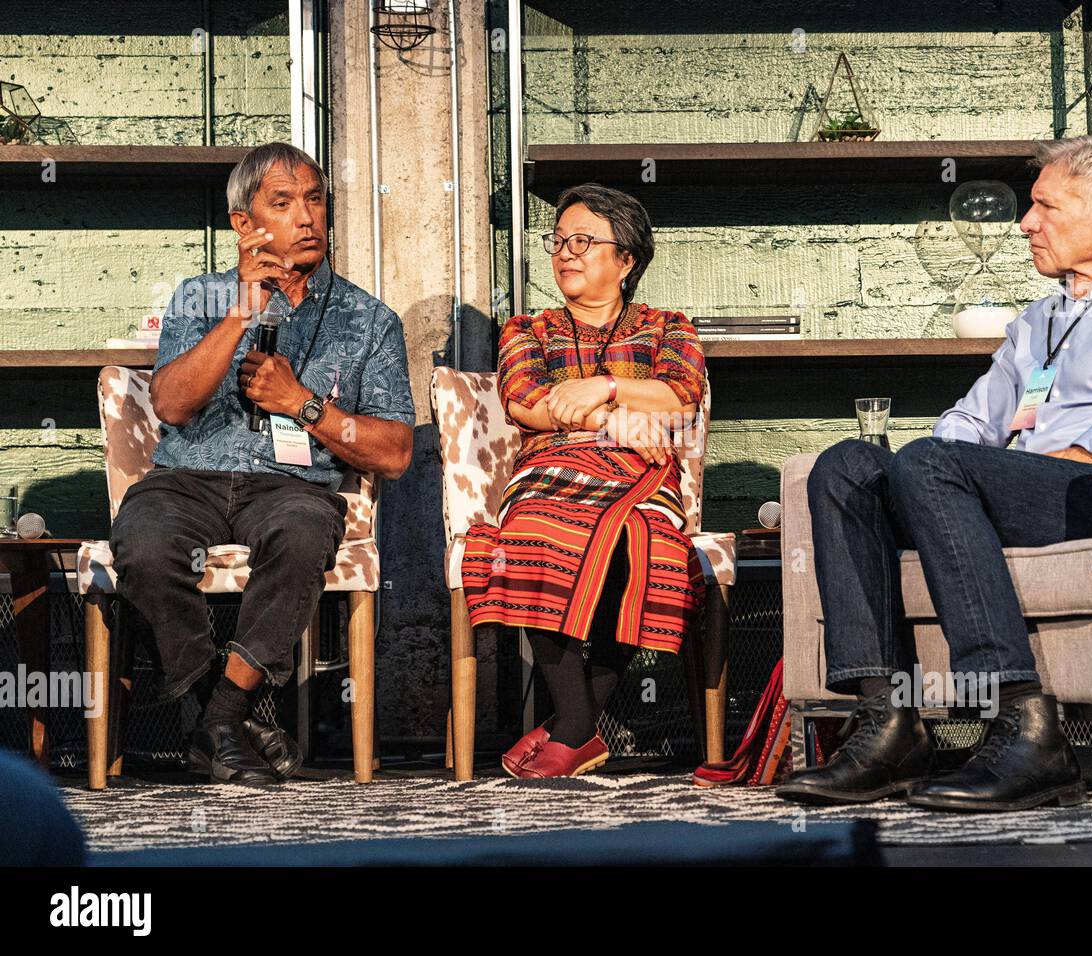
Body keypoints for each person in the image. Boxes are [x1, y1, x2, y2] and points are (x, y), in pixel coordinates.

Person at [776, 133, 1092, 812]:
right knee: (847, 466)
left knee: (934, 467)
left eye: (1046, 207)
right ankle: (887, 724)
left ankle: (1023, 723)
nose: (1026, 223)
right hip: (1000, 488)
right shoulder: (1039, 319)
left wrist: (998, 466)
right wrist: (921, 470)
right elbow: (970, 422)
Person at [109, 142, 415, 785]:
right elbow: (170, 404)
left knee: (302, 537)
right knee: (142, 544)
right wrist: (241, 313)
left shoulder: (368, 319)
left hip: (290, 487)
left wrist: (303, 405)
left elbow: (394, 452)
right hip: (187, 479)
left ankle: (213, 717)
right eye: (283, 203)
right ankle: (227, 720)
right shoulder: (199, 297)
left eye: (315, 199)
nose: (306, 217)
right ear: (244, 225)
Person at [460, 183, 708, 778]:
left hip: (643, 477)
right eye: (559, 241)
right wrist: (618, 420)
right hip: (549, 471)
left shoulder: (667, 326)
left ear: (626, 260)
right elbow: (526, 403)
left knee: (648, 546)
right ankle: (578, 726)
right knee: (536, 532)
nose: (565, 253)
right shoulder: (528, 329)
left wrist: (606, 386)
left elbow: (682, 393)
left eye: (583, 241)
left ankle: (569, 725)